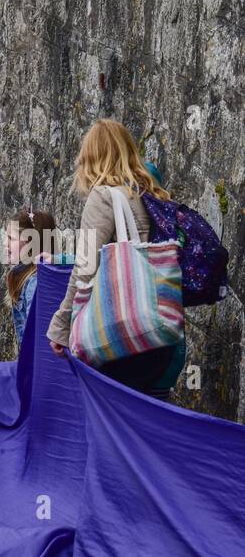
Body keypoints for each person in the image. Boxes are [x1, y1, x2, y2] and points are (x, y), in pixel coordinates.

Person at [46, 119, 184, 398]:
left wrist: (60, 327)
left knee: (109, 428)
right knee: (146, 427)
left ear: (91, 159)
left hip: (121, 337)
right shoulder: (155, 192)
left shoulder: (104, 196)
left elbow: (85, 268)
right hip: (160, 333)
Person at [3, 207, 74, 348]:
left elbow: (38, 343)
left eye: (11, 238)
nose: (5, 243)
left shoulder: (35, 284)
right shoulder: (24, 278)